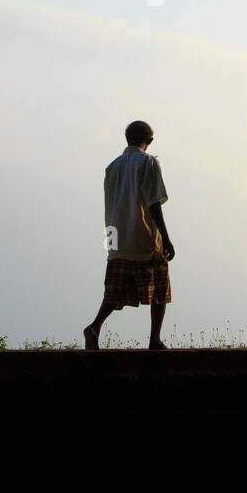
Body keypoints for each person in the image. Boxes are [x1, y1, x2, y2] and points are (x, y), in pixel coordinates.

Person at [84, 120, 175, 350]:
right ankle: (154, 339)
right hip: (142, 235)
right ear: (150, 141)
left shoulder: (112, 167)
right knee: (160, 286)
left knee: (114, 290)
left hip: (116, 237)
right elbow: (154, 203)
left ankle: (95, 326)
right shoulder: (149, 163)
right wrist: (165, 237)